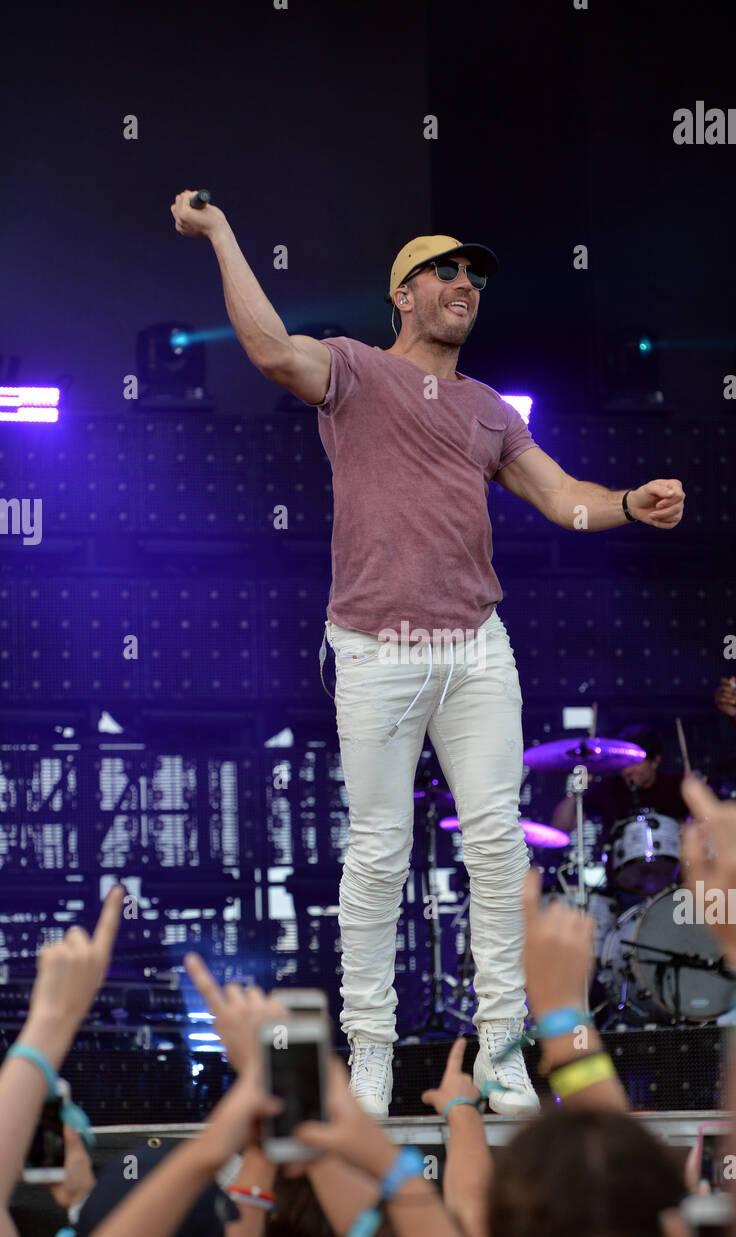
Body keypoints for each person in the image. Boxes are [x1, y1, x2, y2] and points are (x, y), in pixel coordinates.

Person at [170, 193, 685, 1116]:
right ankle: (369, 1052)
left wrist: (625, 504)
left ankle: (499, 1051)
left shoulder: (488, 407)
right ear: (402, 295)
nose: (465, 284)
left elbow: (562, 496)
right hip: (375, 648)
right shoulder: (358, 372)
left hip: (475, 648)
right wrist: (220, 233)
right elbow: (269, 350)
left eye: (474, 275)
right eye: (446, 271)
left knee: (495, 847)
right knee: (377, 853)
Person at [551, 723, 689, 842]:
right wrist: (578, 787)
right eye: (624, 763)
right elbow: (560, 829)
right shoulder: (609, 789)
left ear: (655, 761)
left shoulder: (677, 785)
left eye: (635, 762)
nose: (628, 770)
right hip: (621, 871)